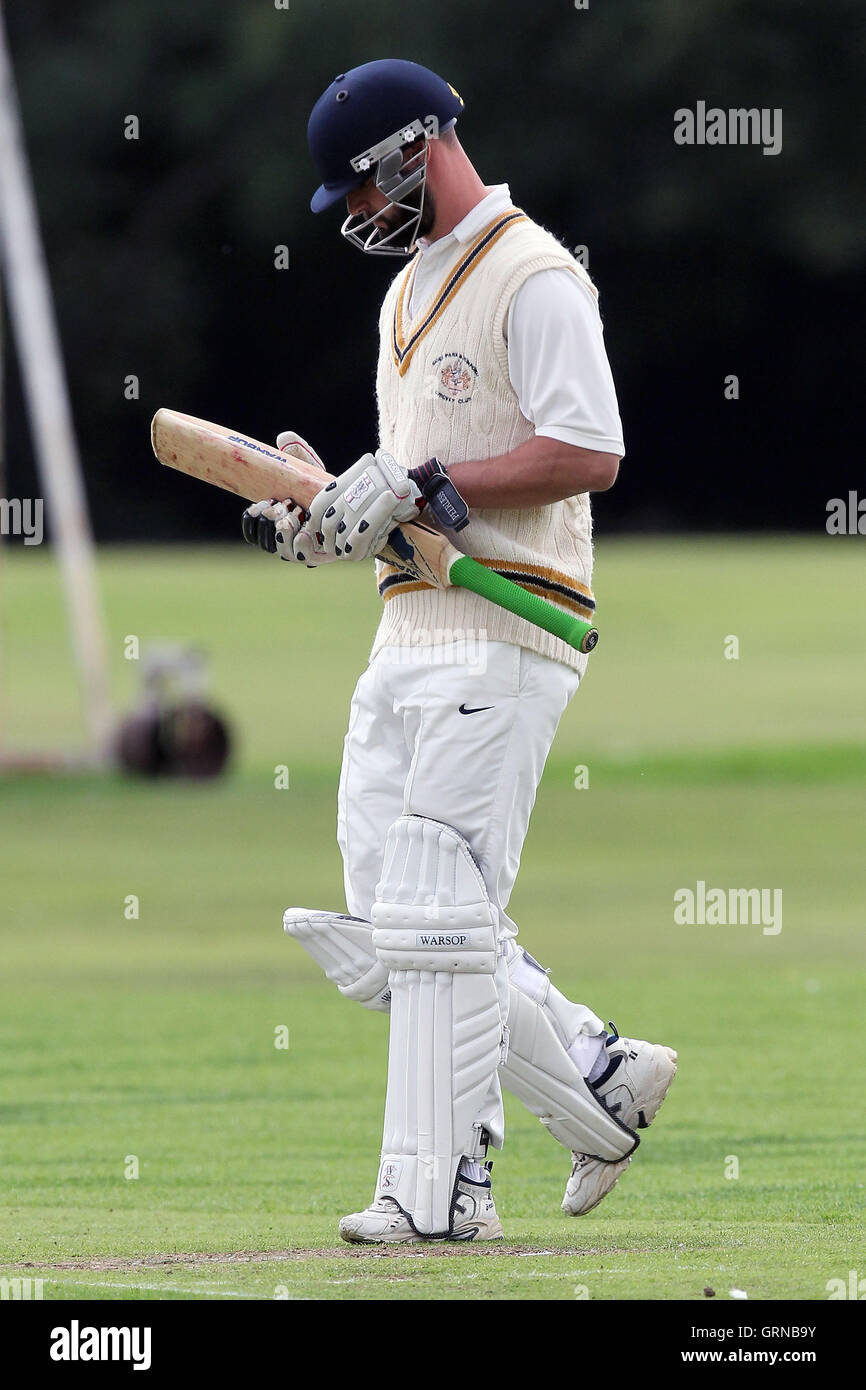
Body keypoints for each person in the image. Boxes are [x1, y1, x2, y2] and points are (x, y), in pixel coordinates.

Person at [242, 59, 676, 1244]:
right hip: (409, 630)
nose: (362, 217)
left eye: (368, 189)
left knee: (436, 915)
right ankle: (594, 1074)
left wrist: (419, 481)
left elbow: (586, 452)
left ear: (418, 148)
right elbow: (415, 496)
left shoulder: (533, 274)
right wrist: (335, 511)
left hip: (511, 624)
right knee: (394, 922)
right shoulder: (404, 295)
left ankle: (439, 1192)